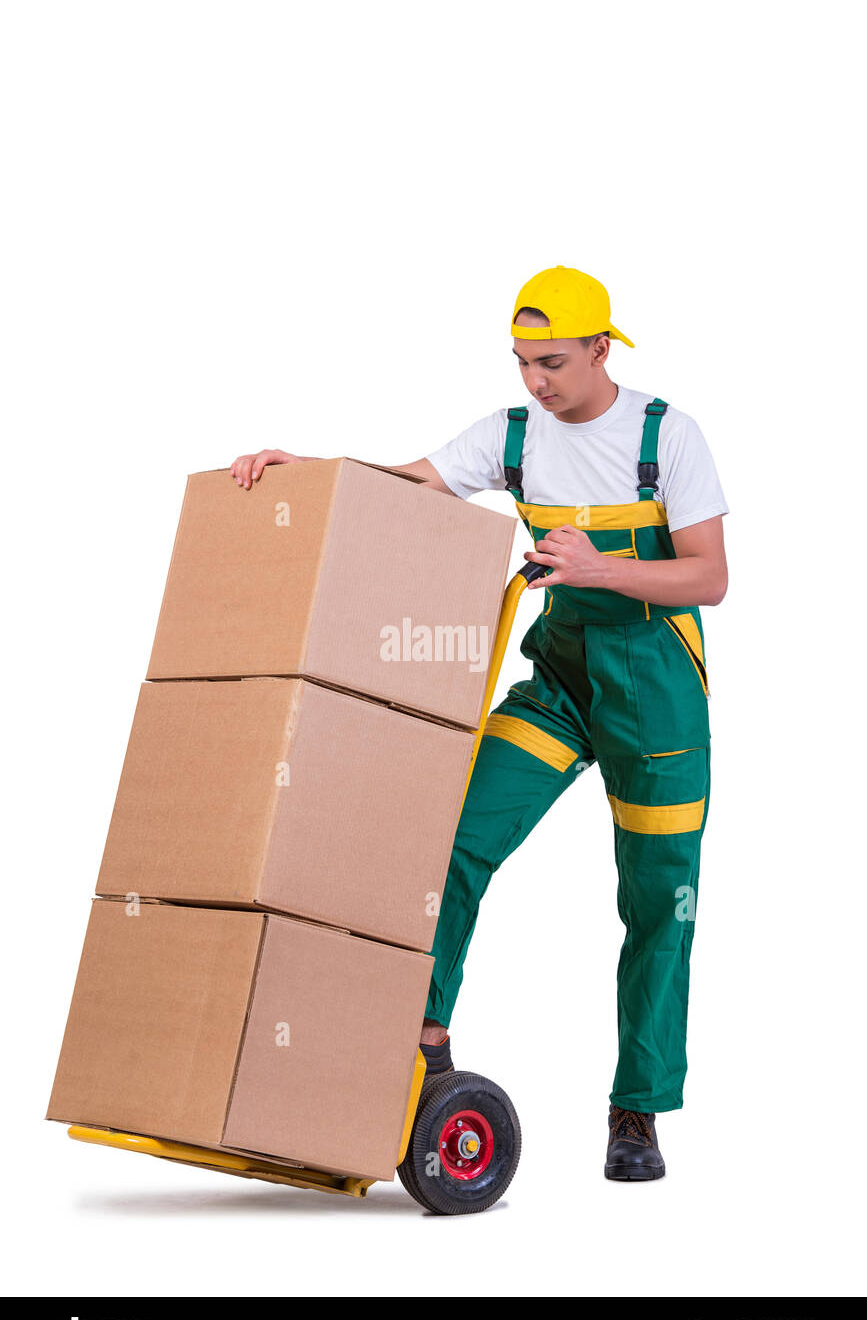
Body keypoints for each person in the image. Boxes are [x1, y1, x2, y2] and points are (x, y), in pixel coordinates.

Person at [231, 265, 729, 1181]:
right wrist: (314, 470)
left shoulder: (667, 435)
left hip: (658, 697)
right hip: (563, 682)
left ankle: (636, 1110)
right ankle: (425, 1041)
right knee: (451, 837)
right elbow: (413, 483)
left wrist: (601, 570)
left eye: (552, 362)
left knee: (659, 901)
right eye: (521, 363)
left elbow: (708, 577)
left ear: (599, 349)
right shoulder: (513, 437)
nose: (535, 382)